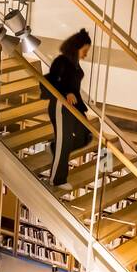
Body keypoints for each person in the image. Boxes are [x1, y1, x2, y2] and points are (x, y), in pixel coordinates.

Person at [44, 29, 92, 191]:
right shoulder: (61, 61)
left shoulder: (75, 64)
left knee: (85, 136)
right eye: (84, 51)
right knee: (65, 143)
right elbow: (50, 82)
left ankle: (54, 148)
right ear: (76, 47)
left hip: (74, 108)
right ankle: (56, 180)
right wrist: (67, 92)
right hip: (60, 106)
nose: (85, 55)